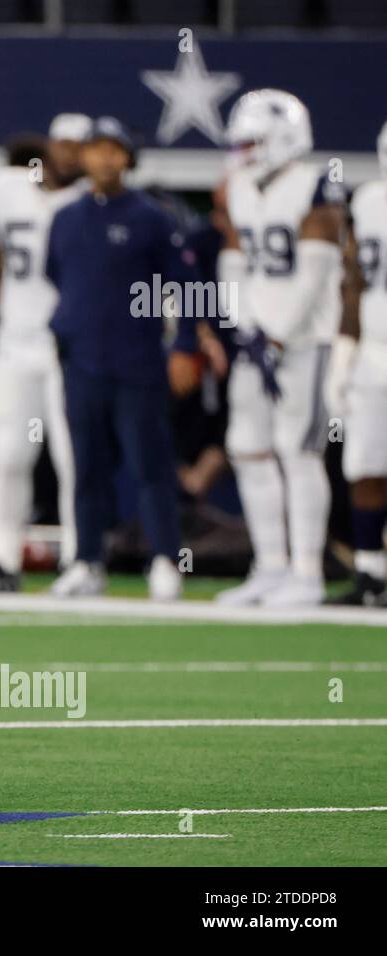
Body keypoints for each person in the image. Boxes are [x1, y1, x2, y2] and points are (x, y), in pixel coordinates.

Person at [45, 117, 200, 600]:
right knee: (86, 466)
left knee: (149, 466)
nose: (105, 158)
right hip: (82, 361)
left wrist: (185, 346)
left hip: (137, 364)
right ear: (84, 157)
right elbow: (58, 276)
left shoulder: (153, 218)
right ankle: (89, 560)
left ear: (128, 158)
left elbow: (187, 288)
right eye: (96, 149)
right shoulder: (66, 217)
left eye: (115, 150)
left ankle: (165, 560)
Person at [216, 90, 345, 608]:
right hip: (256, 339)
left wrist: (275, 333)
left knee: (300, 450)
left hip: (305, 340)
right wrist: (242, 326)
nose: (243, 152)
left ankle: (307, 572)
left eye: (252, 141)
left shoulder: (317, 185)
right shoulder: (240, 187)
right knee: (247, 447)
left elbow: (315, 271)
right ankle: (269, 566)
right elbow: (233, 260)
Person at [0, 116, 89, 592]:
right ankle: (3, 560)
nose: (69, 154)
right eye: (62, 144)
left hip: (69, 345)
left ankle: (82, 562)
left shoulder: (91, 201)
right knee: (9, 456)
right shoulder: (6, 187)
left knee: (71, 457)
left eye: (79, 147)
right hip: (15, 341)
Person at [326, 119, 387, 607]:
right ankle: (370, 573)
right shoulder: (367, 201)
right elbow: (354, 281)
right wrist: (344, 352)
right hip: (374, 351)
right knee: (365, 461)